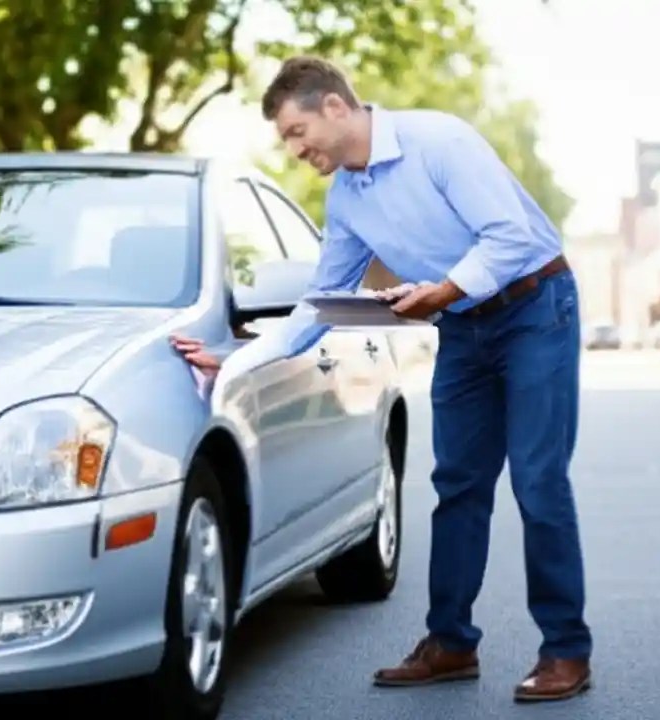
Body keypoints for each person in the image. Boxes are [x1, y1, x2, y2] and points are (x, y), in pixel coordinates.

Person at [178, 55, 592, 703]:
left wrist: (443, 291)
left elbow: (510, 237)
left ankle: (566, 650)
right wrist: (232, 361)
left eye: (295, 132)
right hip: (462, 328)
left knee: (538, 480)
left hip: (536, 308)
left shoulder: (440, 142)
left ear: (335, 108)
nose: (295, 150)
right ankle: (450, 642)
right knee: (457, 484)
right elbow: (320, 303)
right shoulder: (345, 197)